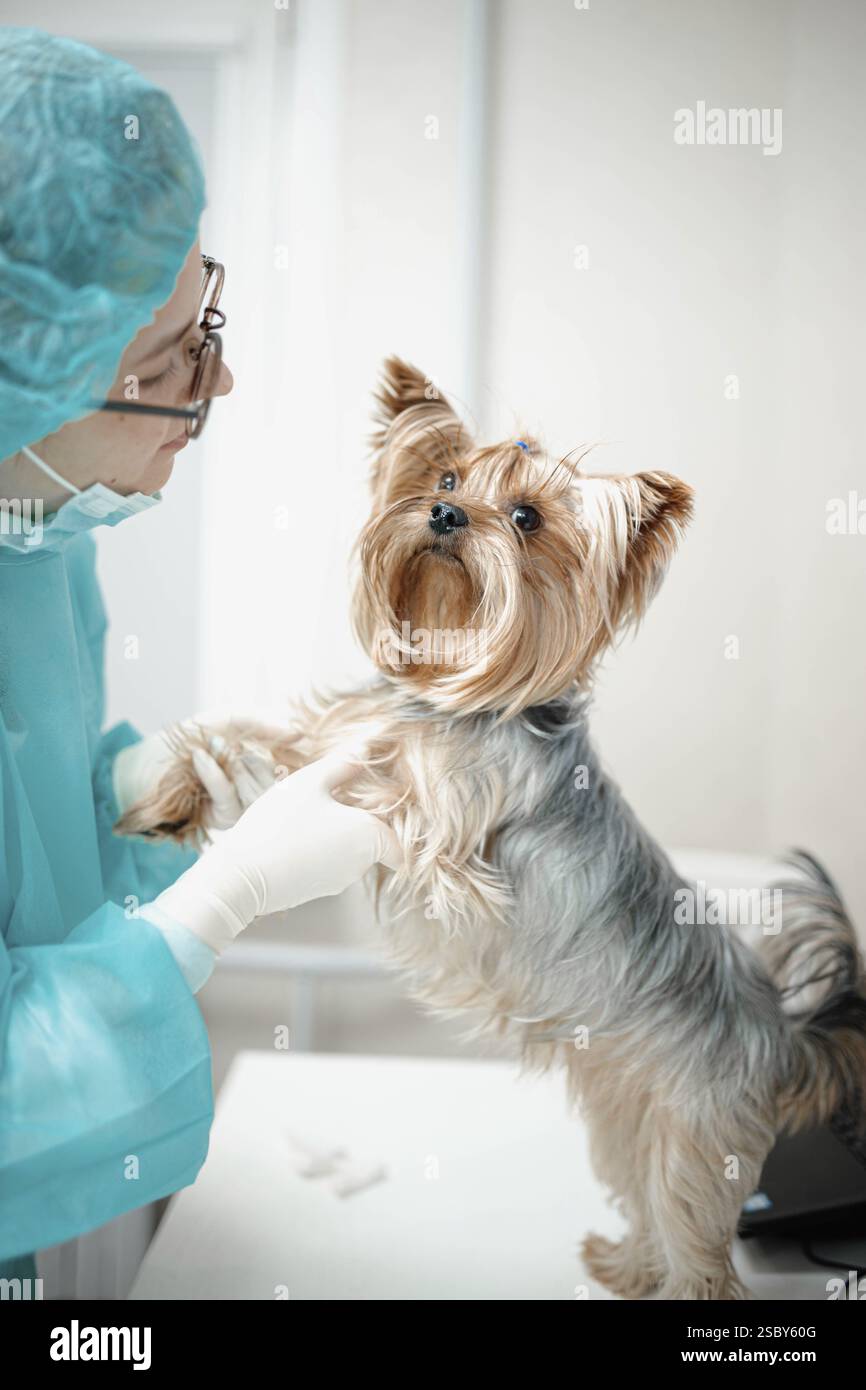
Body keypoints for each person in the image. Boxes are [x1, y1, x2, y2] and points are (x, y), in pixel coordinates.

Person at [0, 28, 398, 1281]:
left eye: (201, 322)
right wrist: (211, 911)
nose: (217, 381)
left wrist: (129, 796)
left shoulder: (37, 535)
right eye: (166, 360)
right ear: (27, 384)